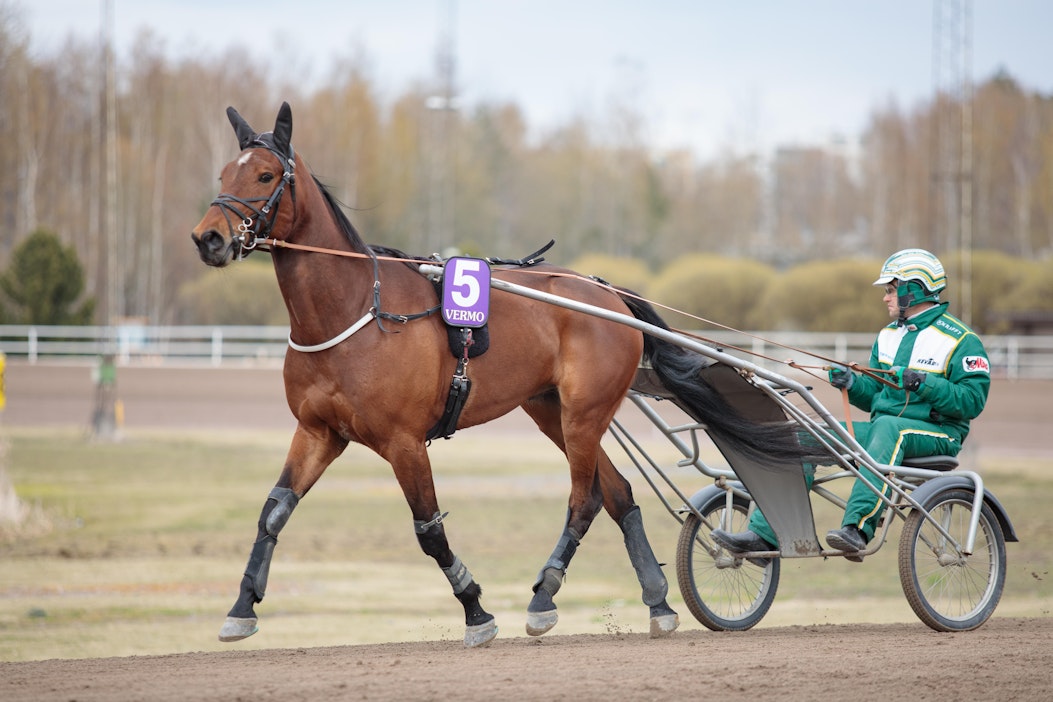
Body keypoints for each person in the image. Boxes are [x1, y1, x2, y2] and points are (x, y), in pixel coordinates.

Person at [712, 248, 991, 561]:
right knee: (803, 434)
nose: (885, 297)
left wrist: (922, 382)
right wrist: (852, 382)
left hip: (940, 434)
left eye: (891, 289)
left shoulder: (961, 339)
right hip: (883, 433)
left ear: (914, 289)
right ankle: (767, 533)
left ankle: (857, 529)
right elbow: (876, 397)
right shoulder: (888, 336)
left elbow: (972, 401)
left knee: (887, 427)